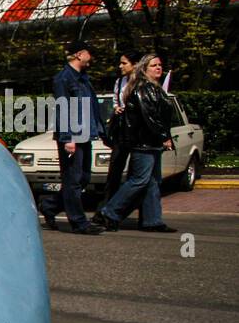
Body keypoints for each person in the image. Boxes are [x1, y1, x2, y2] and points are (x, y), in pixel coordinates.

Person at [93, 53, 176, 233]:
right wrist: (164, 136)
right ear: (144, 69)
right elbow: (150, 117)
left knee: (153, 181)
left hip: (150, 142)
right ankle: (109, 212)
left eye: (160, 65)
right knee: (139, 180)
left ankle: (152, 220)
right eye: (154, 65)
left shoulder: (153, 87)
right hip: (143, 142)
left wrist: (162, 136)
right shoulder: (143, 88)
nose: (158, 68)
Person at [39, 42, 105, 234]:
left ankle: (50, 206)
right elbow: (63, 108)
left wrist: (100, 131)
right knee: (73, 180)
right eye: (89, 53)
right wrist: (68, 138)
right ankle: (79, 222)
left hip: (86, 135)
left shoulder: (84, 78)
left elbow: (91, 108)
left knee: (84, 178)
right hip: (72, 137)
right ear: (79, 54)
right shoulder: (63, 78)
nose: (90, 58)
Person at [101, 50, 138, 205]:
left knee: (136, 172)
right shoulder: (120, 81)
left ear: (135, 64)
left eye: (124, 63)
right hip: (122, 130)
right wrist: (116, 108)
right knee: (115, 169)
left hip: (136, 130)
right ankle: (108, 204)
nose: (120, 66)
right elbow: (116, 100)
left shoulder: (141, 82)